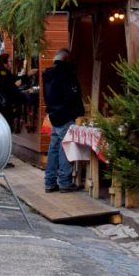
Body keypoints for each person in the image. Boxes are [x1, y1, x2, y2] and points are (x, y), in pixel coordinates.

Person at [42, 49, 84, 193]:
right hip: (65, 115)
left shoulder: (48, 74)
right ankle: (65, 182)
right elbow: (71, 95)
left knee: (54, 148)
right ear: (66, 59)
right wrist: (78, 111)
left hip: (54, 115)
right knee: (65, 147)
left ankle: (49, 182)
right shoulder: (66, 74)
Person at [0, 53, 25, 125]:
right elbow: (11, 88)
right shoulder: (4, 74)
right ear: (5, 63)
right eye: (10, 61)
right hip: (4, 107)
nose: (11, 63)